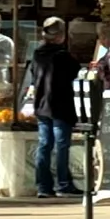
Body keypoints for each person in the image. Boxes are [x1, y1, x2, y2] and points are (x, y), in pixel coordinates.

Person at [26, 17, 80, 199]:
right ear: (61, 36)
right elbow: (75, 71)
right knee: (61, 146)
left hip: (42, 105)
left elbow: (33, 75)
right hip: (60, 106)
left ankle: (43, 186)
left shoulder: (37, 54)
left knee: (44, 145)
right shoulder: (62, 56)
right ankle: (63, 184)